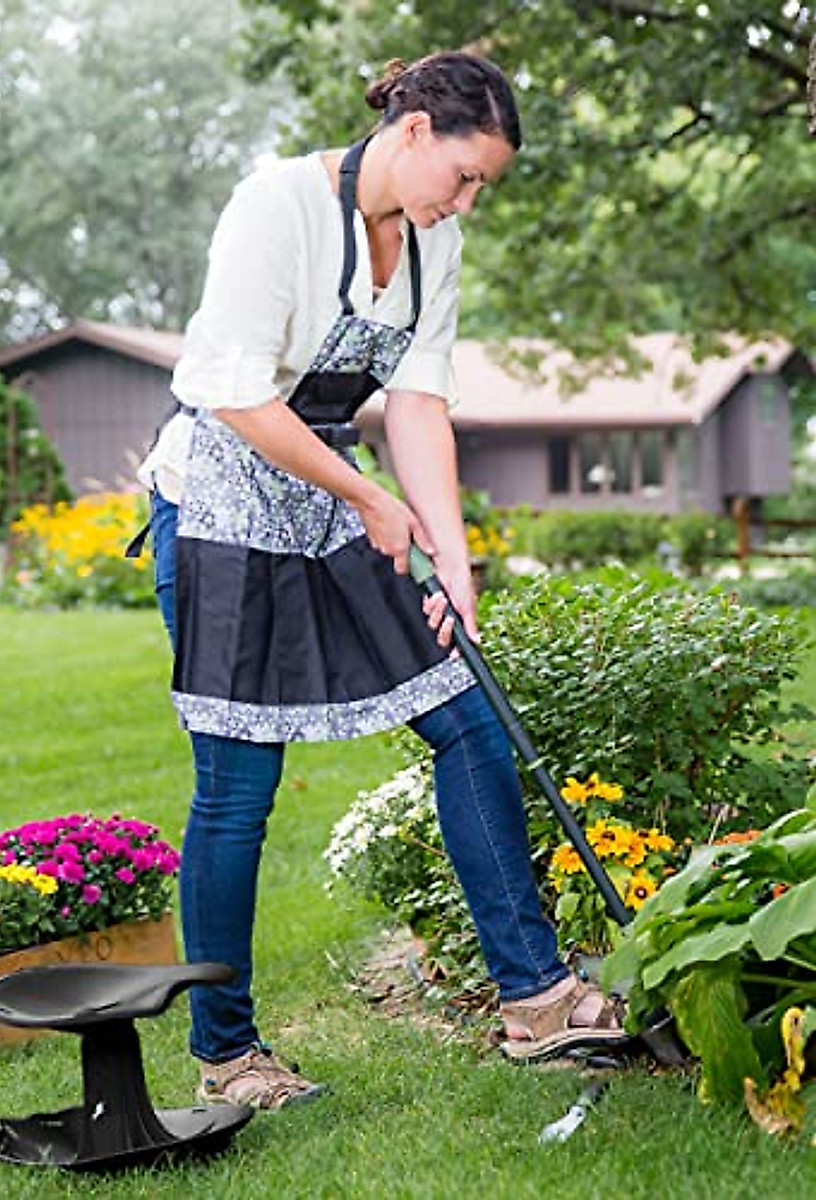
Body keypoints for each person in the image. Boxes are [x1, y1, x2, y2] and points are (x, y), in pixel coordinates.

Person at [136, 51, 625, 1110]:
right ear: (413, 133)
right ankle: (229, 1055)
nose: (469, 199)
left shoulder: (431, 242)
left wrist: (452, 557)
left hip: (331, 497)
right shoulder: (278, 205)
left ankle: (535, 1000)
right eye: (465, 175)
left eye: (482, 184)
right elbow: (232, 395)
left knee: (467, 718)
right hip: (219, 498)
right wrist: (370, 504)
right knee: (236, 793)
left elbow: (415, 404)